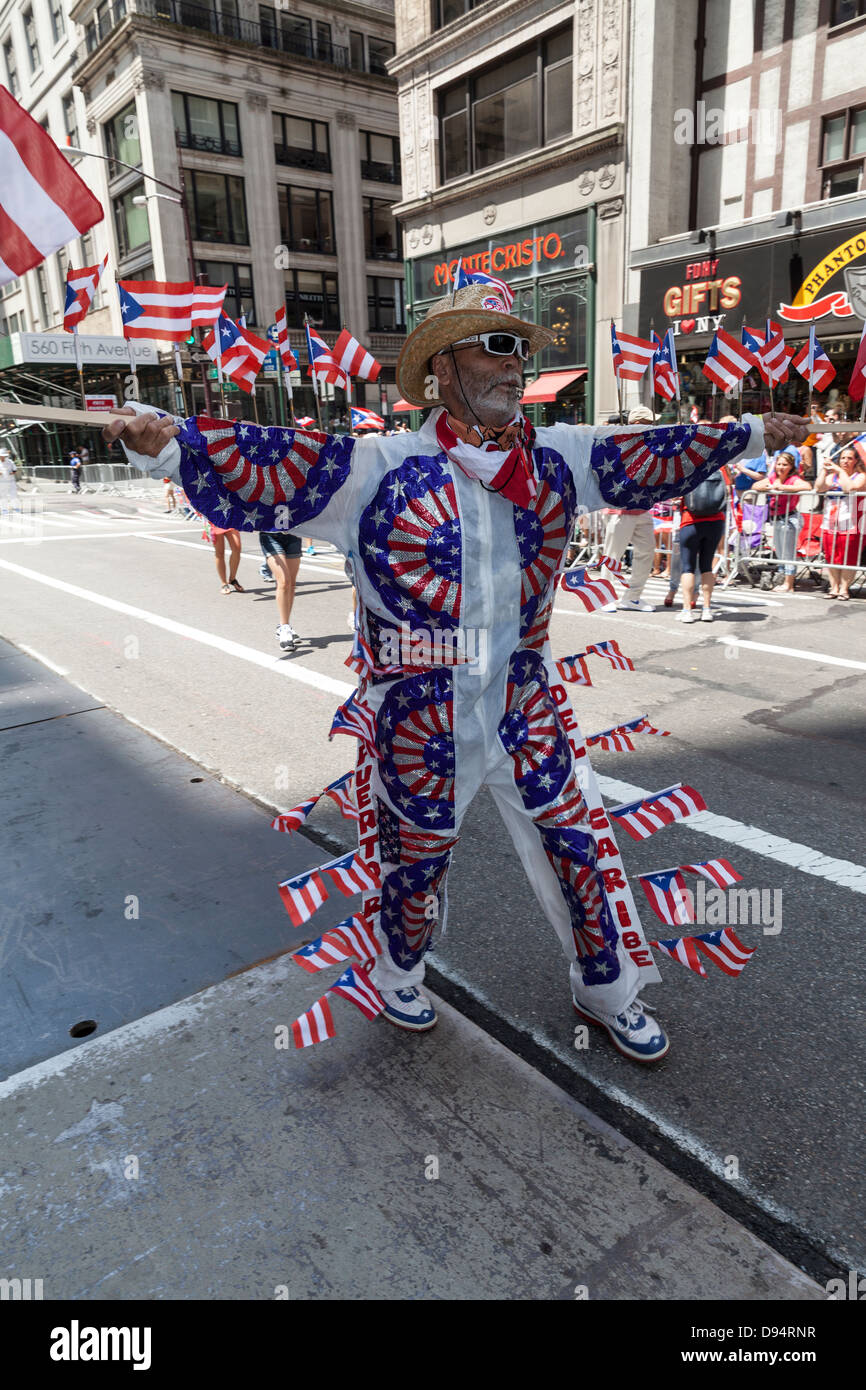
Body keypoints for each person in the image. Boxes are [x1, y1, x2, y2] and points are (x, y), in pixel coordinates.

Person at [103, 281, 811, 1061]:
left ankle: (606, 990)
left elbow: (653, 451)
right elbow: (269, 460)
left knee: (576, 841)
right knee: (418, 855)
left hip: (524, 695)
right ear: (444, 366)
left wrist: (753, 433)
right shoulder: (373, 465)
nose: (515, 368)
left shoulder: (559, 460)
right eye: (495, 347)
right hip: (421, 709)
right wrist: (168, 443)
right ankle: (398, 972)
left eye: (518, 349)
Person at [599, 404, 657, 612]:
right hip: (620, 509)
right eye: (650, 423)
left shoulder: (650, 444)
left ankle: (633, 597)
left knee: (646, 552)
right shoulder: (619, 443)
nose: (654, 426)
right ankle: (606, 597)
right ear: (639, 424)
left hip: (642, 508)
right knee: (613, 555)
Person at [677, 455, 732, 623]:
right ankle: (707, 609)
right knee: (707, 566)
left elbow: (677, 494)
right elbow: (728, 492)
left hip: (690, 520)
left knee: (688, 567)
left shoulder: (687, 466)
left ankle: (687, 610)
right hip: (715, 521)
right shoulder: (721, 465)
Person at [752, 451, 809, 593]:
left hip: (789, 519)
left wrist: (784, 488)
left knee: (788, 552)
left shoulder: (793, 479)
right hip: (777, 519)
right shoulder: (773, 478)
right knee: (780, 552)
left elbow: (807, 486)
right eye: (779, 464)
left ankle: (789, 584)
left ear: (791, 466)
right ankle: (783, 580)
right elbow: (755, 486)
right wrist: (766, 487)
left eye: (785, 464)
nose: (781, 467)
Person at [815, 445, 866, 600]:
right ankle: (834, 587)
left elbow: (850, 488)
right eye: (843, 458)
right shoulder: (833, 477)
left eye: (849, 458)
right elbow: (819, 488)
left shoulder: (861, 476)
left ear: (856, 460)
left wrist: (839, 471)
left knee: (848, 557)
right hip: (831, 522)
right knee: (831, 556)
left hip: (852, 523)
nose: (845, 461)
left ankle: (844, 589)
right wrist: (824, 470)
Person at [259, 530, 302, 649]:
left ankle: (284, 625)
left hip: (294, 534)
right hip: (270, 536)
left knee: (291, 584)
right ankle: (284, 627)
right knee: (283, 581)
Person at [201, 516, 244, 594]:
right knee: (219, 552)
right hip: (213, 518)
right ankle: (224, 583)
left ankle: (232, 579)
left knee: (237, 548)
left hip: (230, 516)